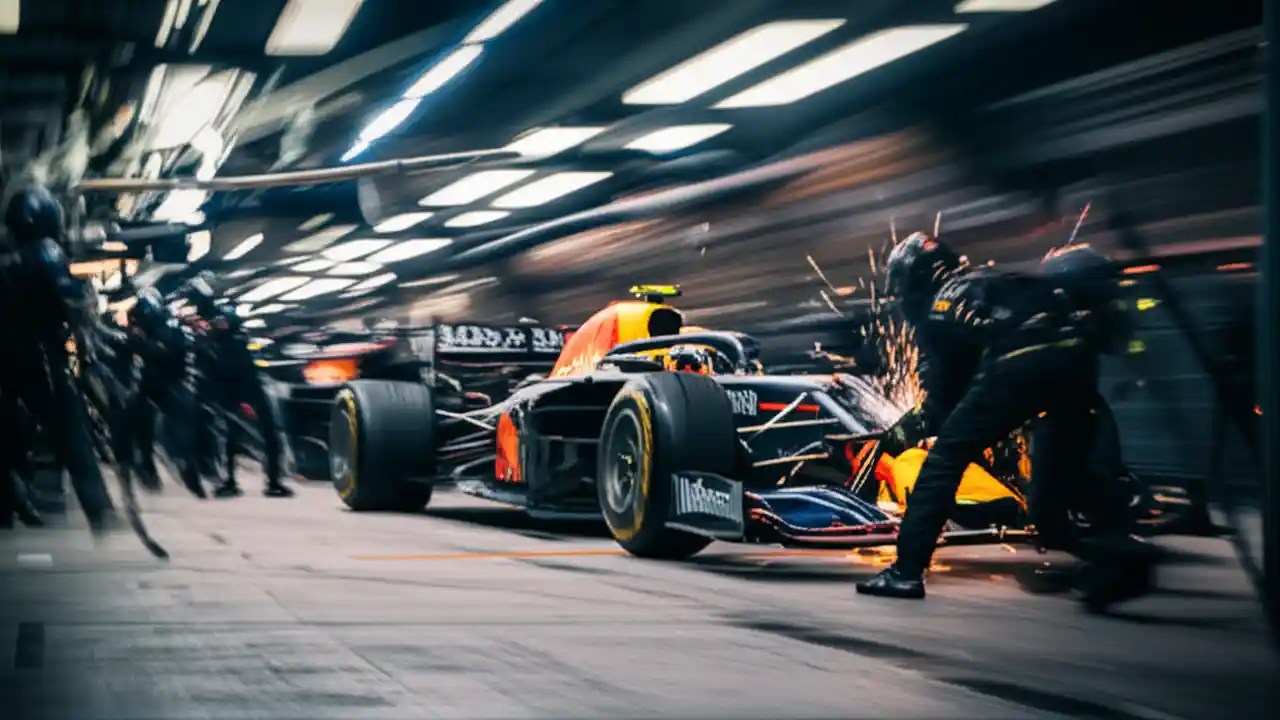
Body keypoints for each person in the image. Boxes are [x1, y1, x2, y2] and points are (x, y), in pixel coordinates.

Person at [858, 236, 1155, 611]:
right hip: (1077, 363)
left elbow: (943, 403)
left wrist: (901, 434)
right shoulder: (993, 278)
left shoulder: (940, 304)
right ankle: (1119, 555)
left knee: (944, 460)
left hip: (1022, 360)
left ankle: (905, 572)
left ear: (916, 279)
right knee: (1051, 500)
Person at [0, 186, 114, 531]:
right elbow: (72, 302)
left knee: (7, 437)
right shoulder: (47, 253)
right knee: (69, 430)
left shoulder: (7, 259)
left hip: (7, 361)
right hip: (42, 358)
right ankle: (98, 510)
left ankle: (10, 506)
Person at [185, 274, 292, 498]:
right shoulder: (202, 333)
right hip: (229, 386)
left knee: (269, 432)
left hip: (248, 382)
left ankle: (272, 480)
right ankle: (230, 481)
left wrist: (213, 327)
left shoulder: (221, 318)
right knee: (231, 436)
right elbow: (205, 360)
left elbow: (231, 322)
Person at [124, 288, 207, 499]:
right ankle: (149, 466)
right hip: (154, 381)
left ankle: (188, 468)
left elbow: (169, 351)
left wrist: (142, 344)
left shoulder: (167, 327)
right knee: (141, 424)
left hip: (170, 381)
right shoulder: (143, 327)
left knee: (183, 429)